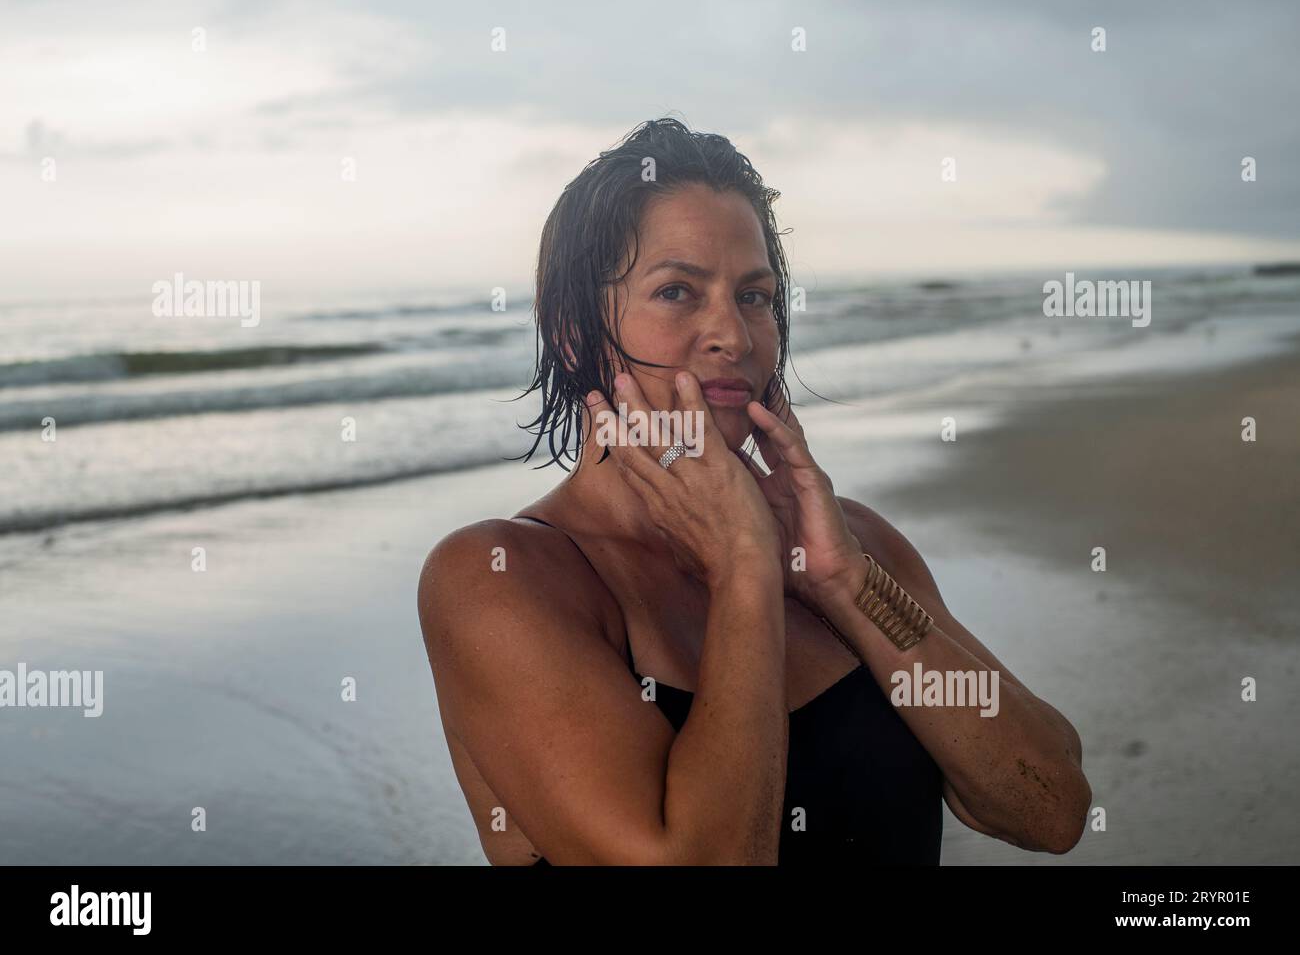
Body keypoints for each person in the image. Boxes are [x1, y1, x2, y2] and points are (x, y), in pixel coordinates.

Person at [417, 118, 1091, 865]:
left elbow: (1052, 807)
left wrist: (847, 587)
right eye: (677, 291)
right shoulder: (502, 578)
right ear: (575, 331)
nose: (732, 336)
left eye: (755, 296)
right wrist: (743, 565)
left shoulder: (848, 544)